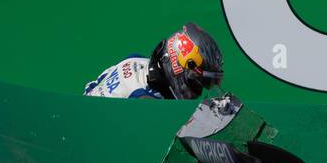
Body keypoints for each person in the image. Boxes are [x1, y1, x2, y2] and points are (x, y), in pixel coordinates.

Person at [83, 23, 224, 100]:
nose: (199, 90)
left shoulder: (134, 59)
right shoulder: (145, 101)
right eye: (197, 83)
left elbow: (90, 88)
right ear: (177, 68)